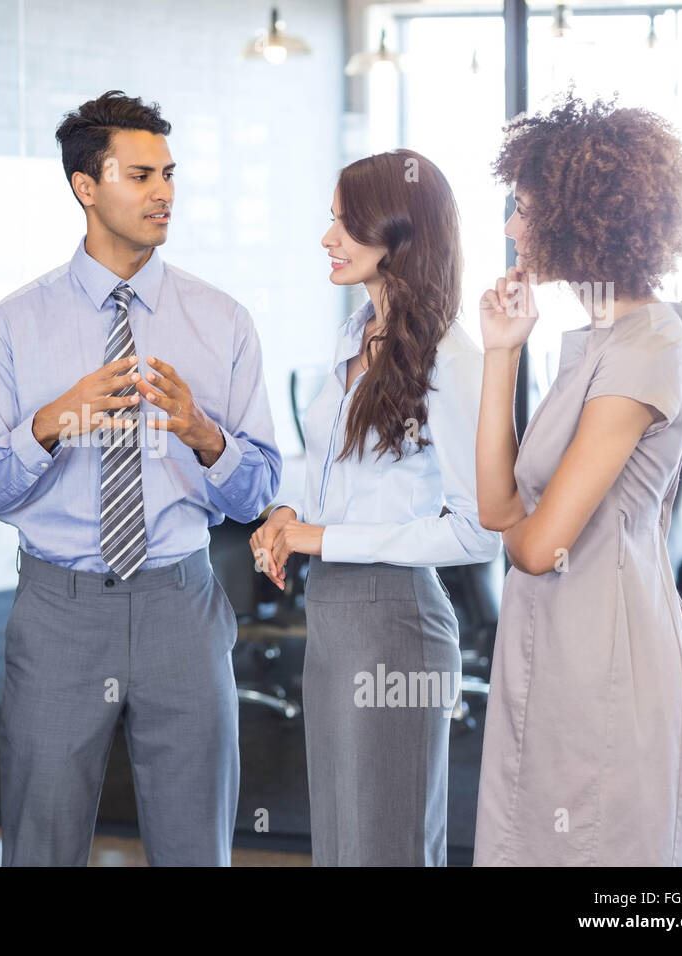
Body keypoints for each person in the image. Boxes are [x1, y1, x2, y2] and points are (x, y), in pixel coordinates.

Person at [0, 90, 281, 866]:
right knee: (42, 843)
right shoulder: (11, 326)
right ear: (86, 188)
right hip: (58, 614)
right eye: (140, 175)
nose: (163, 192)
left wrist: (203, 434)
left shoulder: (222, 322)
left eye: (168, 174)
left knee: (197, 847)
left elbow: (257, 491)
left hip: (182, 607)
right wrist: (47, 424)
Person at [473, 92, 682, 865]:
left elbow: (537, 547)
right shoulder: (598, 339)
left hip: (609, 662)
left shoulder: (647, 344)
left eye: (525, 209)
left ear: (581, 216)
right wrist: (500, 352)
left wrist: (524, 533)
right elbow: (498, 507)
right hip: (549, 651)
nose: (512, 228)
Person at [249, 149, 501, 865]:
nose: (328, 238)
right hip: (331, 613)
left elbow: (478, 530)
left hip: (395, 622)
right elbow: (328, 472)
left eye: (345, 222)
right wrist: (284, 516)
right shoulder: (353, 337)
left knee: (381, 846)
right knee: (341, 844)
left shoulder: (451, 360)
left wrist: (322, 538)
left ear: (399, 232)